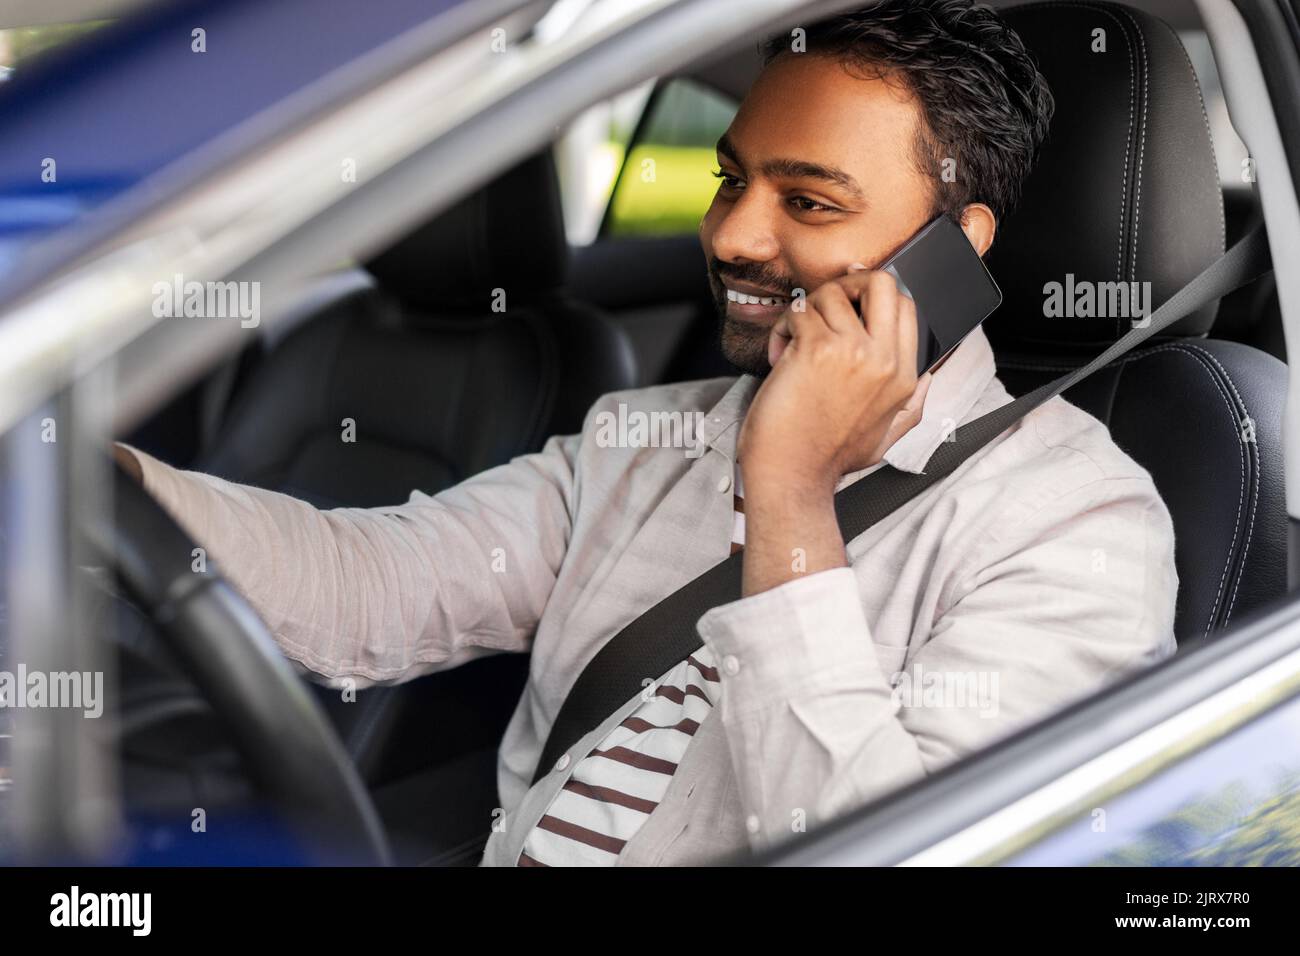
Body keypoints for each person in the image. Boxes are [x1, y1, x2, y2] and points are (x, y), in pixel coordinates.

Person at [115, 0, 1177, 866]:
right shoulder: (643, 437)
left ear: (953, 246)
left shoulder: (1076, 523)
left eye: (807, 202)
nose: (730, 234)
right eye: (731, 180)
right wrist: (95, 491)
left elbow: (892, 848)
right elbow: (369, 586)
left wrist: (791, 498)